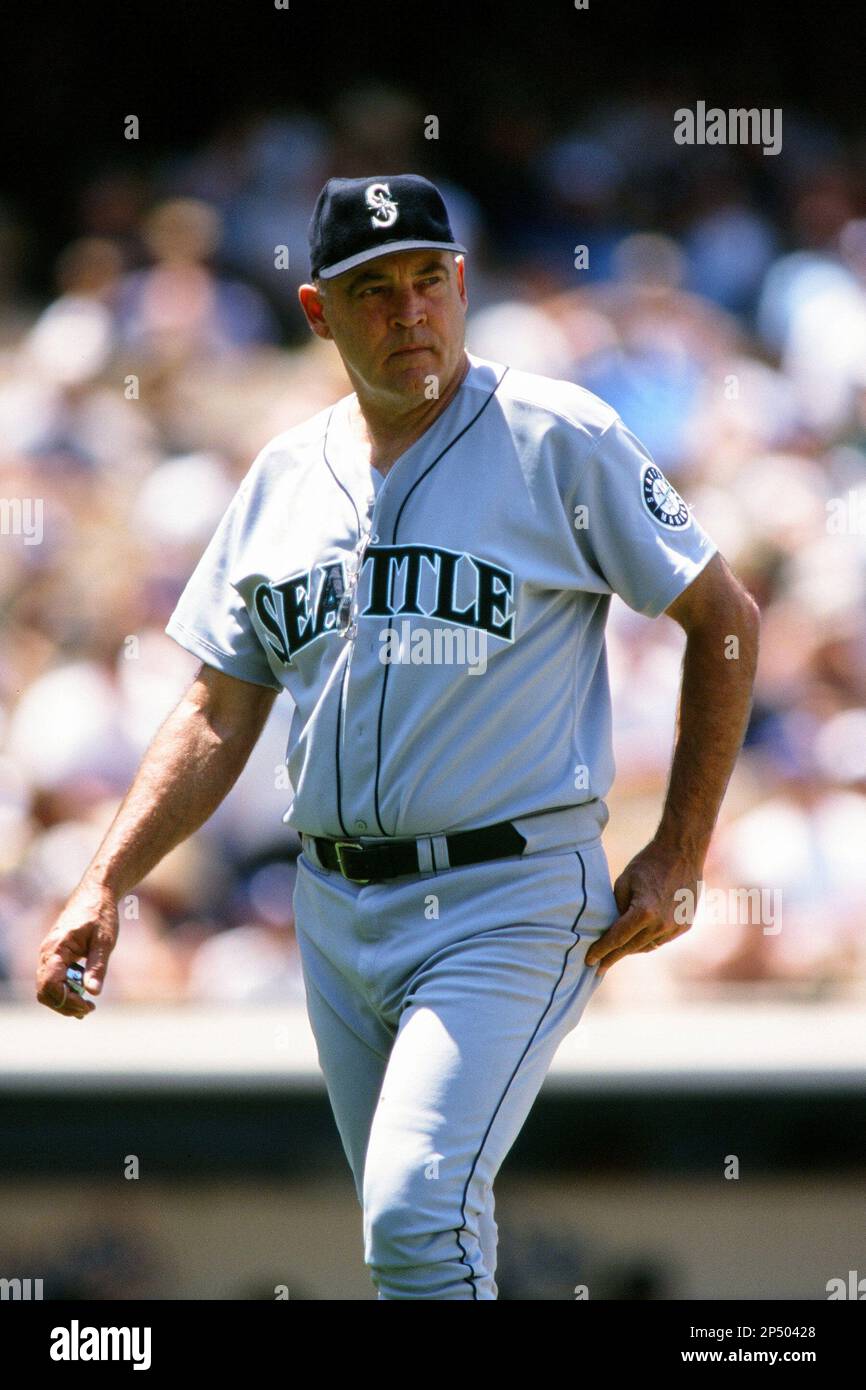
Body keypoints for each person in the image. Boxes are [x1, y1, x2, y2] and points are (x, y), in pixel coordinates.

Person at [36, 173, 760, 1300]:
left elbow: (722, 621)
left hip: (507, 892)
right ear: (320, 313)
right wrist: (105, 880)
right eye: (374, 289)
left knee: (415, 1217)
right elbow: (218, 709)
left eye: (429, 279)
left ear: (460, 285)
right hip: (333, 907)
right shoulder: (281, 476)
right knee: (418, 1242)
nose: (410, 309)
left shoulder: (556, 437)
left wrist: (680, 848)